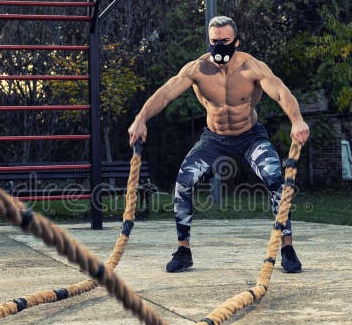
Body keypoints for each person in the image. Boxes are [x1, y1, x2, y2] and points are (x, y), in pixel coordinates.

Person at [128, 16, 310, 273]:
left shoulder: (252, 67)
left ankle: (287, 248)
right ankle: (183, 250)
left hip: (250, 136)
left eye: (224, 41)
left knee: (274, 178)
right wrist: (140, 120)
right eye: (214, 41)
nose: (219, 46)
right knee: (184, 181)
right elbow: (167, 92)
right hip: (214, 138)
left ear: (236, 42)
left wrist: (297, 121)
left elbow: (280, 91)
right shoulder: (198, 69)